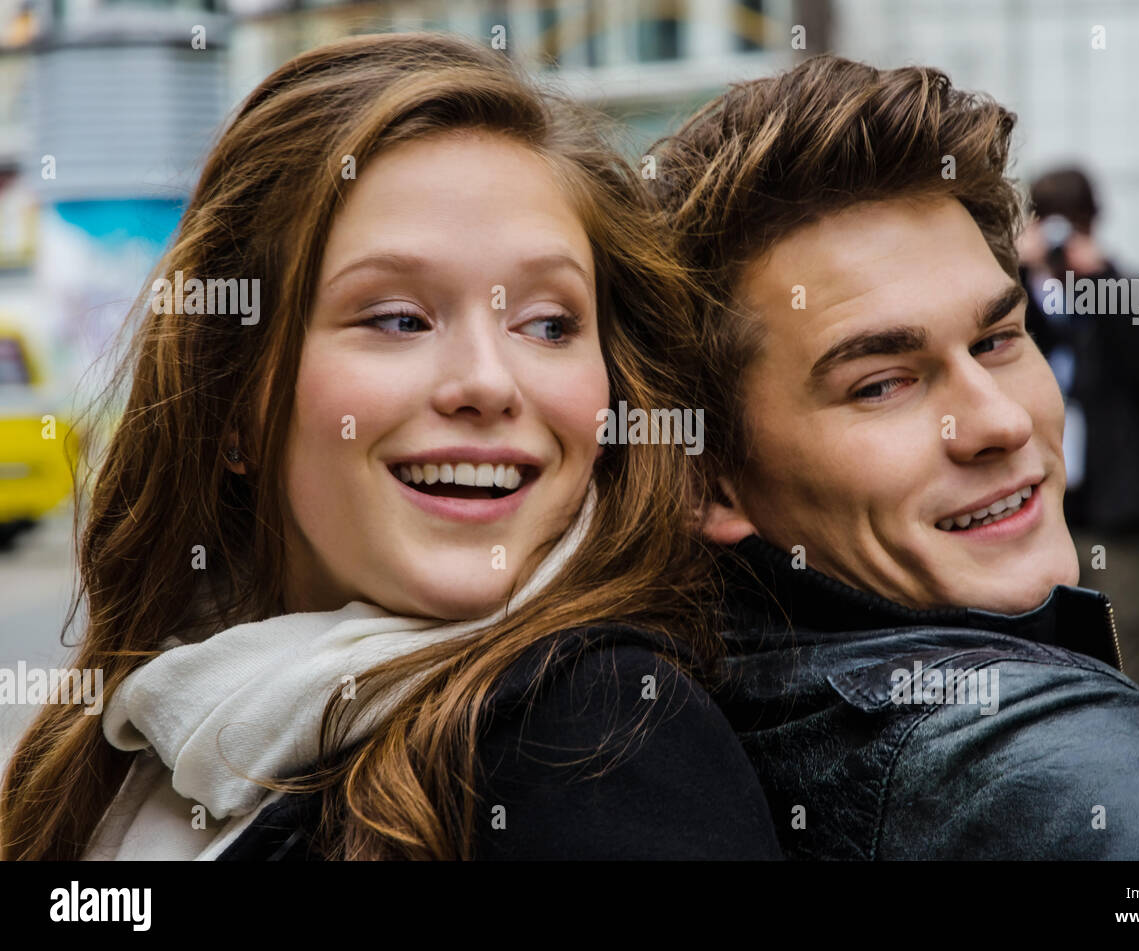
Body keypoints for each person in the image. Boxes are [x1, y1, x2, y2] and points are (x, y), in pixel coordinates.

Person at [0, 33, 781, 861]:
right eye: (399, 318)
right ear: (234, 402)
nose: (488, 381)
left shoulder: (602, 737)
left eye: (549, 324)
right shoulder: (143, 733)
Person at [649, 54, 1139, 859]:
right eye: (882, 384)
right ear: (706, 478)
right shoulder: (1065, 765)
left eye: (997, 339)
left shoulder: (698, 698)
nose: (997, 421)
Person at [1017, 166, 1139, 697]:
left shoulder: (1122, 290)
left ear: (1093, 222)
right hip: (1037, 512)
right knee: (1041, 667)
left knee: (1127, 665)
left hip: (1117, 516)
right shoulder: (1016, 296)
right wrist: (1018, 273)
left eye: (1071, 223)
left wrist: (1105, 283)